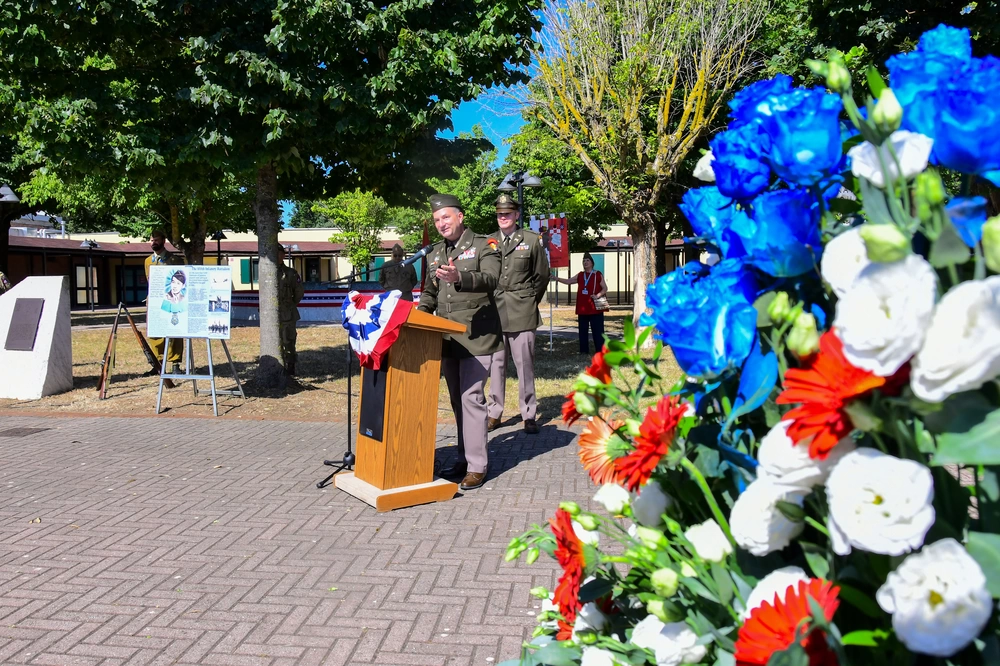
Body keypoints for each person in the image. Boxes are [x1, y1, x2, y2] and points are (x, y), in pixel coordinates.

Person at [417, 193, 501, 490]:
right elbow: (430, 292)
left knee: (471, 398)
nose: (441, 223)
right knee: (457, 400)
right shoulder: (435, 253)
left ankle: (477, 466)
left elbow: (492, 278)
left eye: (446, 217)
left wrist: (460, 277)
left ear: (460, 217)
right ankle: (464, 458)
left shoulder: (484, 244)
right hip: (448, 338)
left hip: (478, 336)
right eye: (437, 220)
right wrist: (418, 315)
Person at [486, 193, 549, 434]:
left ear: (516, 215)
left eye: (507, 213)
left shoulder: (531, 240)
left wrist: (530, 299)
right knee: (496, 365)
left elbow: (541, 275)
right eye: (500, 214)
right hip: (495, 311)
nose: (503, 217)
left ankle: (529, 414)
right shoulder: (489, 242)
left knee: (525, 365)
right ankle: (494, 412)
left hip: (522, 310)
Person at [144, 230, 184, 379]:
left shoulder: (175, 260)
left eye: (156, 240)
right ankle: (158, 364)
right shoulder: (148, 261)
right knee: (155, 333)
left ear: (163, 241)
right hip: (154, 302)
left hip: (171, 300)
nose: (153, 242)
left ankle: (175, 364)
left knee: (175, 331)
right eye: (151, 240)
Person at [554, 252, 608, 354]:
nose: (585, 262)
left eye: (587, 260)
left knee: (598, 331)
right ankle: (583, 351)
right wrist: (557, 279)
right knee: (583, 331)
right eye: (583, 261)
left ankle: (600, 351)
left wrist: (598, 295)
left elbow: (605, 288)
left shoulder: (597, 274)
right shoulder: (580, 275)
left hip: (595, 308)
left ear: (592, 263)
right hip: (582, 307)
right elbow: (569, 281)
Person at [278, 245, 305, 376]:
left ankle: (290, 366)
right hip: (272, 315)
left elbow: (299, 292)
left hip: (287, 314)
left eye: (278, 253)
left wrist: (290, 304)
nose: (276, 256)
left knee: (288, 340)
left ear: (283, 255)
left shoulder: (290, 273)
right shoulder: (266, 271)